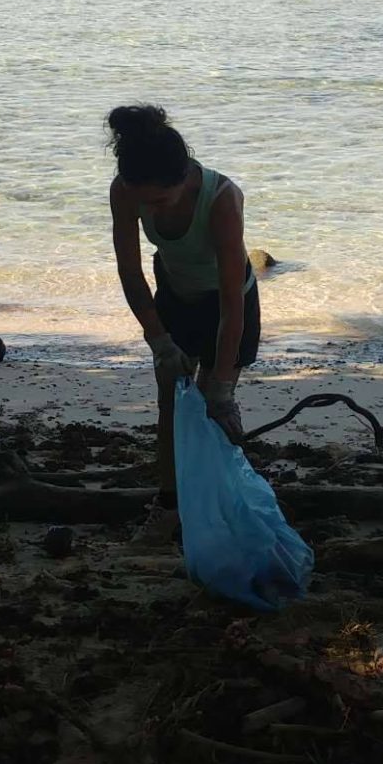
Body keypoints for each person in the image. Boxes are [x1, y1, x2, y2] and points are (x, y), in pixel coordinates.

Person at [106, 106, 257, 492]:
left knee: (211, 407)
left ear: (183, 177)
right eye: (145, 203)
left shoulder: (222, 198)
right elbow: (130, 271)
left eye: (159, 202)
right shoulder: (125, 190)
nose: (150, 210)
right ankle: (169, 503)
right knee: (171, 411)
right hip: (174, 293)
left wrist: (222, 384)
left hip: (229, 303)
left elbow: (231, 302)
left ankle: (218, 498)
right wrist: (158, 339)